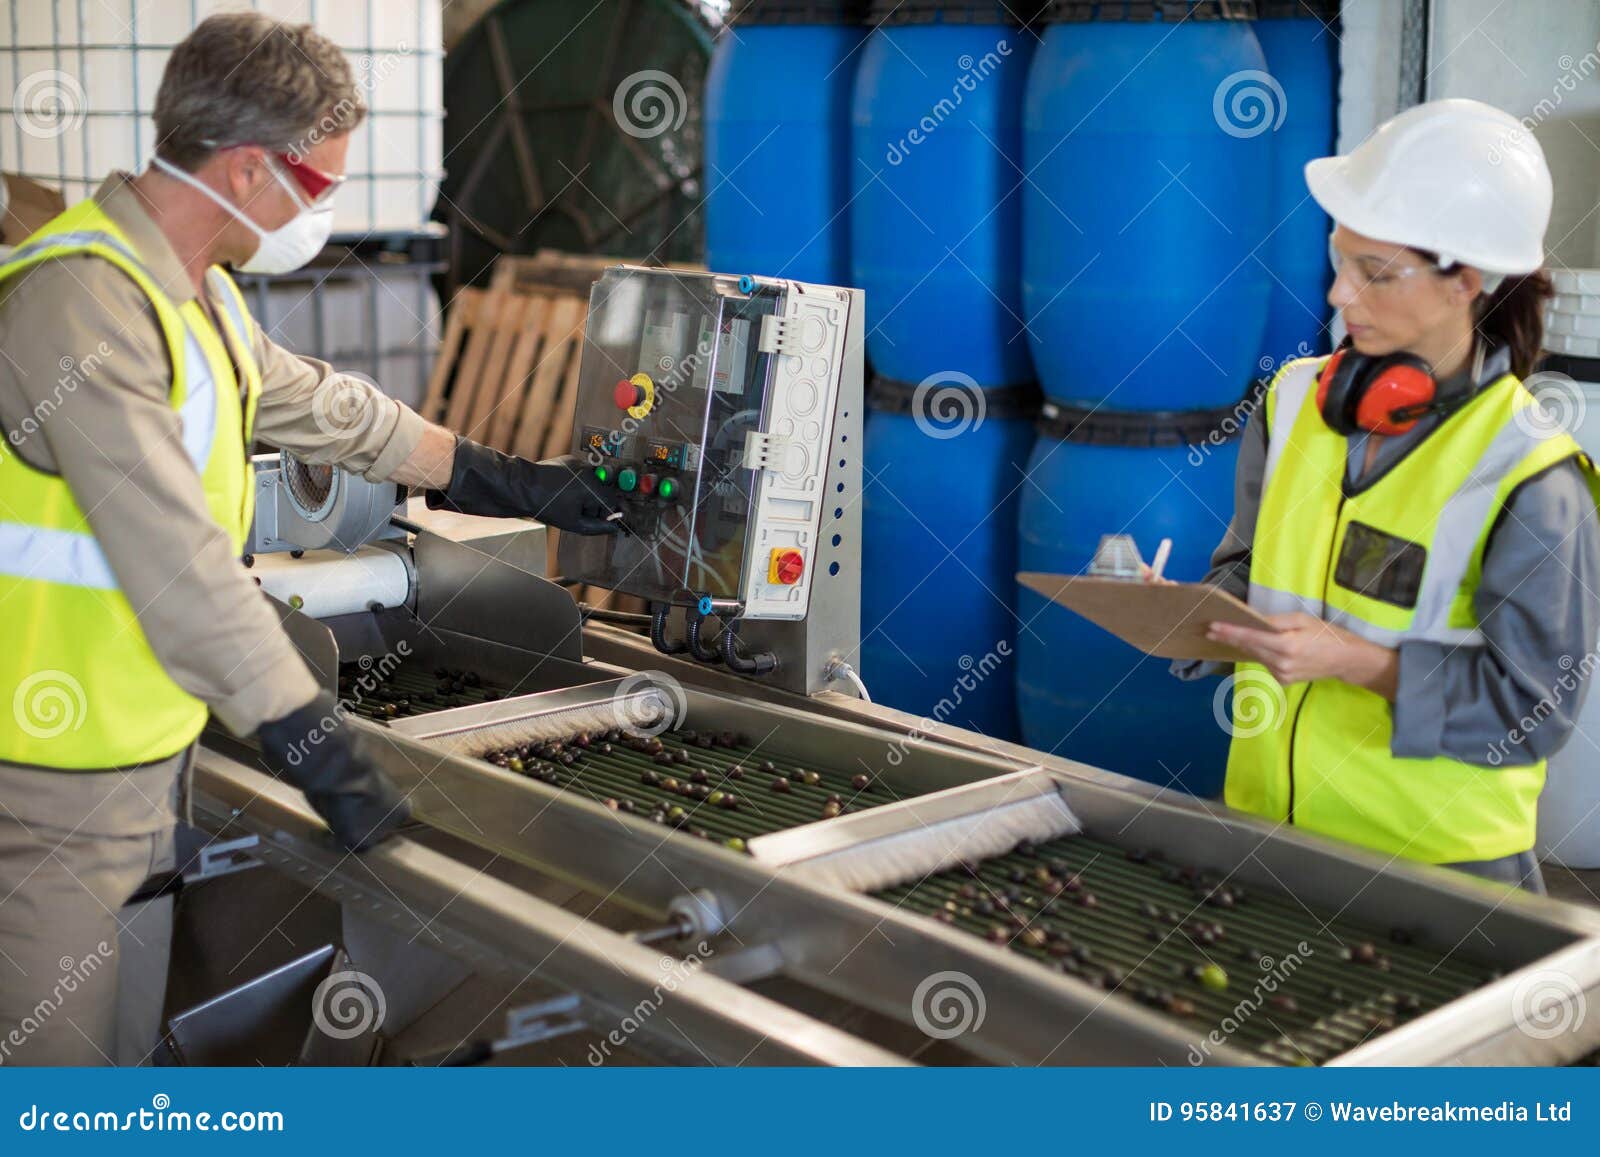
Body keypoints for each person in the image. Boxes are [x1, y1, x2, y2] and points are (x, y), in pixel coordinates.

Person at [0, 13, 621, 1064]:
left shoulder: (199, 298)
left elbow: (333, 409)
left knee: (122, 1061)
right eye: (319, 187)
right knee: (53, 1075)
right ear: (247, 172)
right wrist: (313, 741)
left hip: (145, 753)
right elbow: (175, 563)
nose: (322, 212)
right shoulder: (79, 302)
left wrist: (506, 476)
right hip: (45, 777)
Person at [1168, 98, 1600, 894]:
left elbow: (1531, 710)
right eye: (1340, 261)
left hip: (1440, 879)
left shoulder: (1531, 474)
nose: (1340, 295)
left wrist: (1359, 664)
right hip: (1270, 838)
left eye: (1376, 273)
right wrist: (1183, 620)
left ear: (1463, 282)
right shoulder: (1293, 402)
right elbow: (1246, 573)